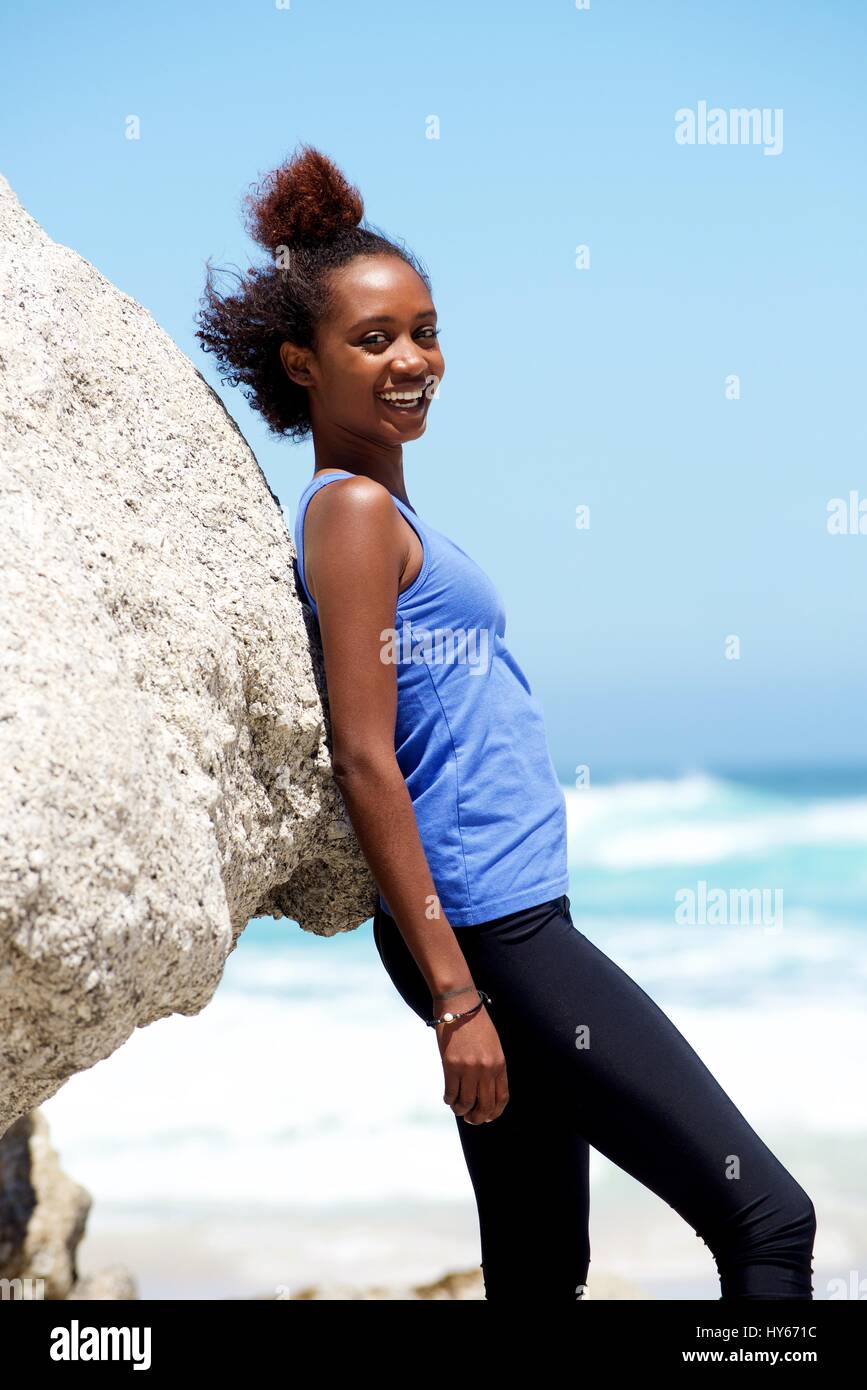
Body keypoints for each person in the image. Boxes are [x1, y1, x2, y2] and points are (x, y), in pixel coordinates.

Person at [196, 143, 816, 1301]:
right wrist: (458, 996)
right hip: (494, 939)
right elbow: (366, 757)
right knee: (769, 1222)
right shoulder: (353, 516)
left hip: (500, 927)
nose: (413, 360)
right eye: (373, 339)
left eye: (423, 330)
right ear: (300, 362)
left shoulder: (381, 504)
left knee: (539, 1271)